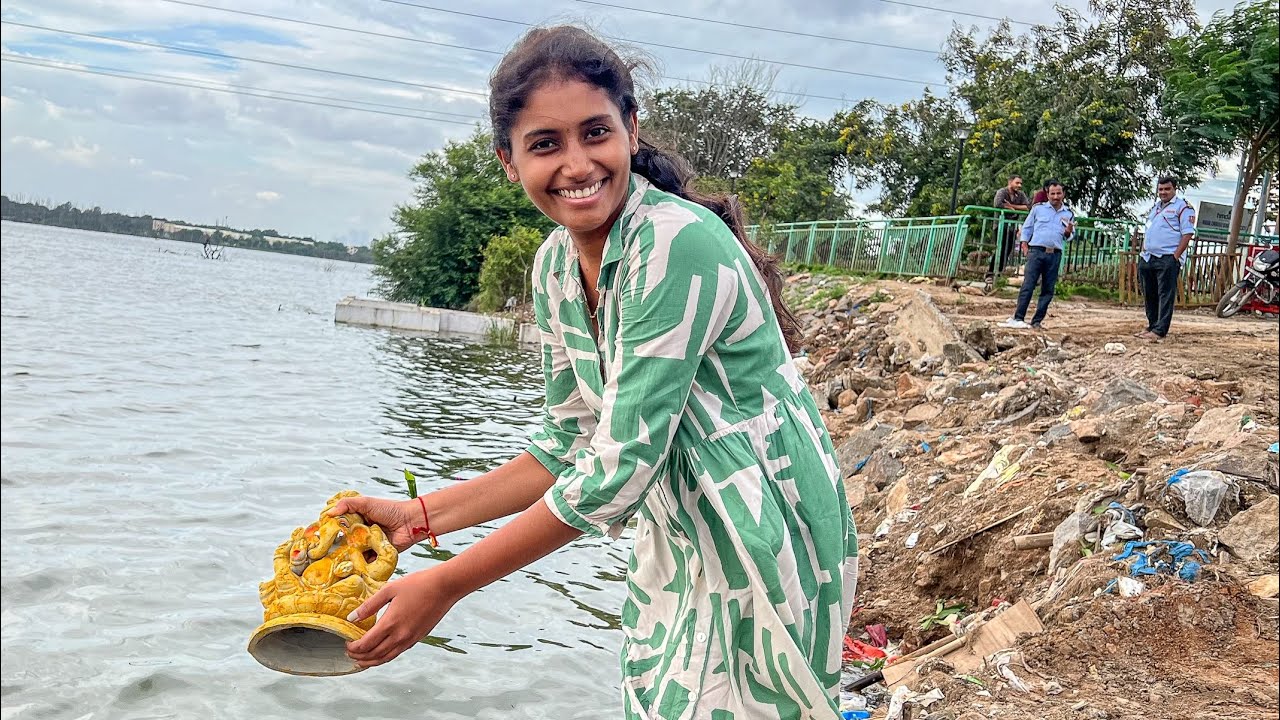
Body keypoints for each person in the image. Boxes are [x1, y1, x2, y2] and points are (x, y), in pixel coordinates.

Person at [324, 25, 858, 719]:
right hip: (680, 531)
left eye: (595, 133)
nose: (576, 165)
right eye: (545, 144)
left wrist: (446, 585)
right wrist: (420, 518)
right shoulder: (554, 266)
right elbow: (566, 444)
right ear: (509, 161)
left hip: (763, 520)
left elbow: (616, 470)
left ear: (631, 130)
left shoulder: (674, 244)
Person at [1000, 180, 1075, 329]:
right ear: (1047, 194)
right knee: (1028, 285)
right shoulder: (1038, 209)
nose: (1055, 196)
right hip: (1036, 252)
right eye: (1052, 193)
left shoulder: (1069, 213)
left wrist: (1068, 232)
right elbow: (1027, 227)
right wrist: (1024, 243)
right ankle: (1018, 318)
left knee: (1048, 289)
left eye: (1058, 193)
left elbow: (1070, 235)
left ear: (1063, 194)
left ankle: (1036, 322)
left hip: (1054, 254)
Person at [1136, 176, 1195, 341]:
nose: (1163, 192)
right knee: (1149, 294)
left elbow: (1187, 233)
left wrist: (1175, 257)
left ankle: (1160, 330)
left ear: (1175, 189)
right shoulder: (1155, 207)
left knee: (1165, 295)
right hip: (1148, 257)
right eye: (1160, 189)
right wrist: (1143, 251)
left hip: (1167, 257)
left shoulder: (1183, 207)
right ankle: (1152, 325)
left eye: (1167, 189)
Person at [989, 174, 1030, 278]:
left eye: (1020, 183)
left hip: (1012, 227)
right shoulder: (1002, 192)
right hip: (1000, 225)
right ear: (1010, 182)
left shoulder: (1020, 194)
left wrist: (1011, 206)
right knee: (1000, 249)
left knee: (1008, 250)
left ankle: (999, 273)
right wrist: (1010, 207)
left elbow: (1027, 206)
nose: (1019, 185)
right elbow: (998, 204)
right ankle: (990, 273)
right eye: (1017, 183)